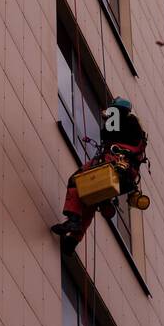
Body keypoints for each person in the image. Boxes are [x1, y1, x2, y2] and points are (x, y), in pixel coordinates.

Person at [50, 98, 148, 251]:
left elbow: (107, 134)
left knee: (75, 181)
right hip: (127, 173)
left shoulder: (119, 117)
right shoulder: (136, 129)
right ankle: (74, 240)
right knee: (90, 199)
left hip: (114, 162)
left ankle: (74, 220)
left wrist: (108, 117)